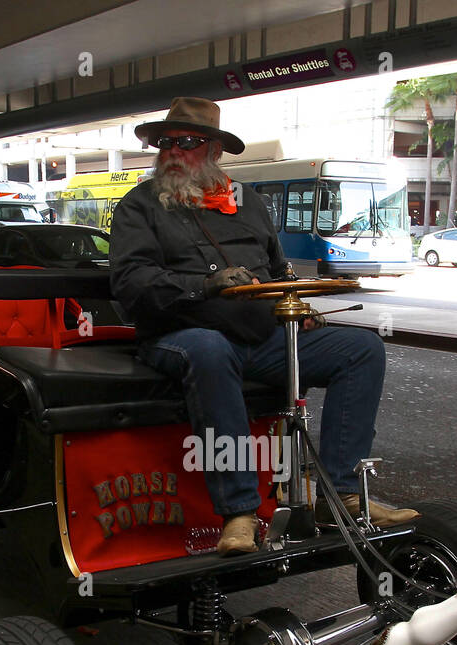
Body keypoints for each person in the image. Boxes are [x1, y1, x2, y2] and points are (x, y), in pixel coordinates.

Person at [110, 97, 417, 555]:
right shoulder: (139, 206)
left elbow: (276, 273)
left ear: (213, 151)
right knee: (210, 349)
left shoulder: (246, 202)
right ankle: (238, 513)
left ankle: (342, 496)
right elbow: (132, 287)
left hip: (258, 338)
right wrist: (206, 285)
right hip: (176, 337)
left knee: (362, 349)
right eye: (166, 143)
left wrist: (293, 304)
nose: (173, 151)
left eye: (187, 142)